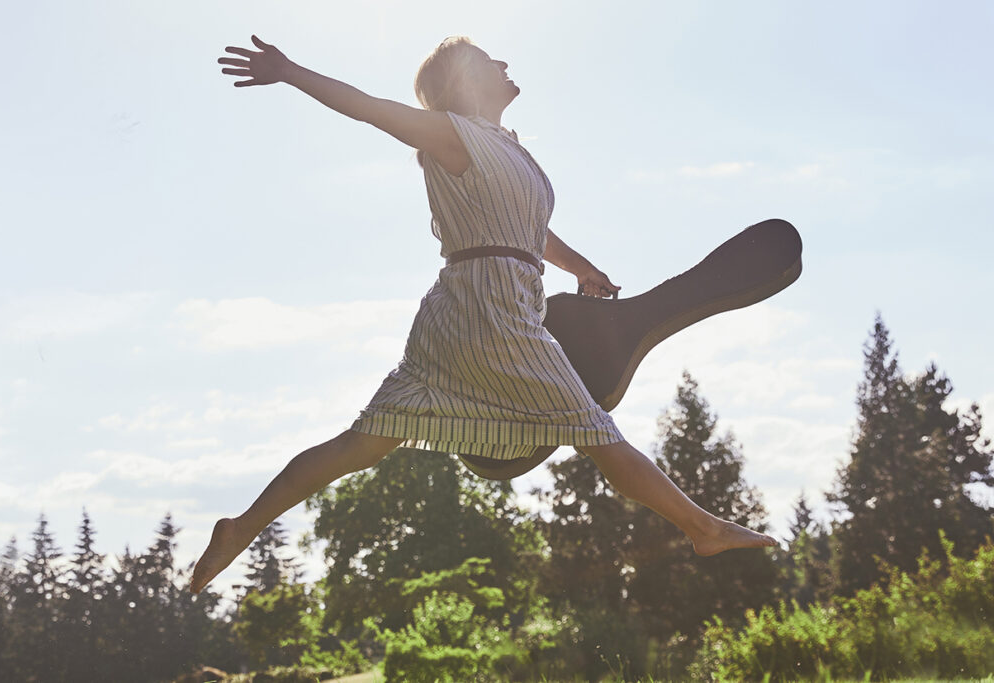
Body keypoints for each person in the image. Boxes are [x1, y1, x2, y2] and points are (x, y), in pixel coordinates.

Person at [190, 35, 777, 594]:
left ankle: (243, 527)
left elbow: (531, 231)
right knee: (596, 431)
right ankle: (704, 529)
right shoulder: (452, 135)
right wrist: (290, 72)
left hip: (477, 308)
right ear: (468, 79)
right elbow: (368, 109)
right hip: (491, 311)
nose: (505, 64)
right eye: (492, 60)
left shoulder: (507, 149)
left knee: (361, 445)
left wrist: (581, 268)